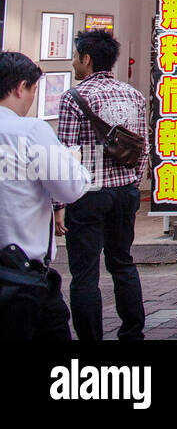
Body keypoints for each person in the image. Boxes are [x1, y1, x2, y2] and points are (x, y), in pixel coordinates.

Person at [54, 29, 147, 341]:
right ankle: (133, 332)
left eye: (75, 57)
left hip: (87, 194)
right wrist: (133, 182)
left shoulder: (74, 98)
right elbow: (143, 147)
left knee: (84, 273)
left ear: (87, 59)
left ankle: (91, 337)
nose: (73, 63)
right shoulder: (133, 94)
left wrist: (59, 205)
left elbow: (66, 154)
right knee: (122, 263)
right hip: (125, 192)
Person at [0, 51, 91, 340]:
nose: (31, 100)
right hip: (22, 272)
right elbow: (70, 187)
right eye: (33, 90)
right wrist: (74, 161)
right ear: (20, 87)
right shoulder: (29, 131)